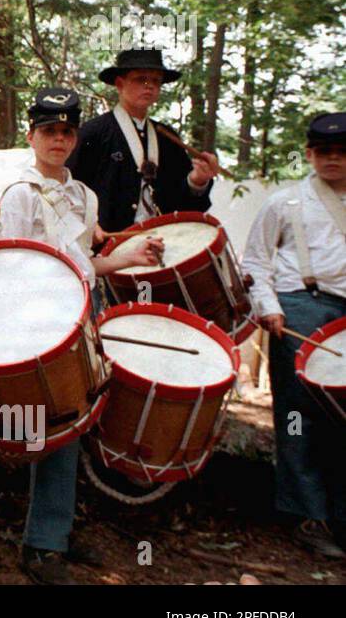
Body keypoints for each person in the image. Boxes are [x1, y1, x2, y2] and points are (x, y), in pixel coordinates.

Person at [0, 87, 164, 584]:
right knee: (54, 419)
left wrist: (126, 259)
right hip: (37, 314)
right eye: (49, 131)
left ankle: (58, 528)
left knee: (82, 417)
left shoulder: (83, 196)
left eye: (67, 131)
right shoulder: (18, 194)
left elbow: (83, 263)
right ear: (31, 136)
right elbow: (11, 263)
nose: (59, 139)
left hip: (81, 308)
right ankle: (42, 544)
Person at [242, 111, 346, 560]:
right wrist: (270, 309)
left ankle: (340, 514)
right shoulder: (285, 202)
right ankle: (306, 514)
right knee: (299, 416)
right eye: (324, 152)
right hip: (302, 307)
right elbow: (256, 263)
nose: (333, 160)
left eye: (342, 153)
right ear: (309, 154)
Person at [68, 48, 220, 235]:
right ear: (119, 83)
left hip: (163, 243)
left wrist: (197, 181)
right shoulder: (93, 133)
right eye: (141, 79)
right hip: (108, 248)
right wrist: (89, 225)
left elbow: (183, 205)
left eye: (156, 80)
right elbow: (69, 189)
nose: (149, 86)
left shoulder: (168, 138)